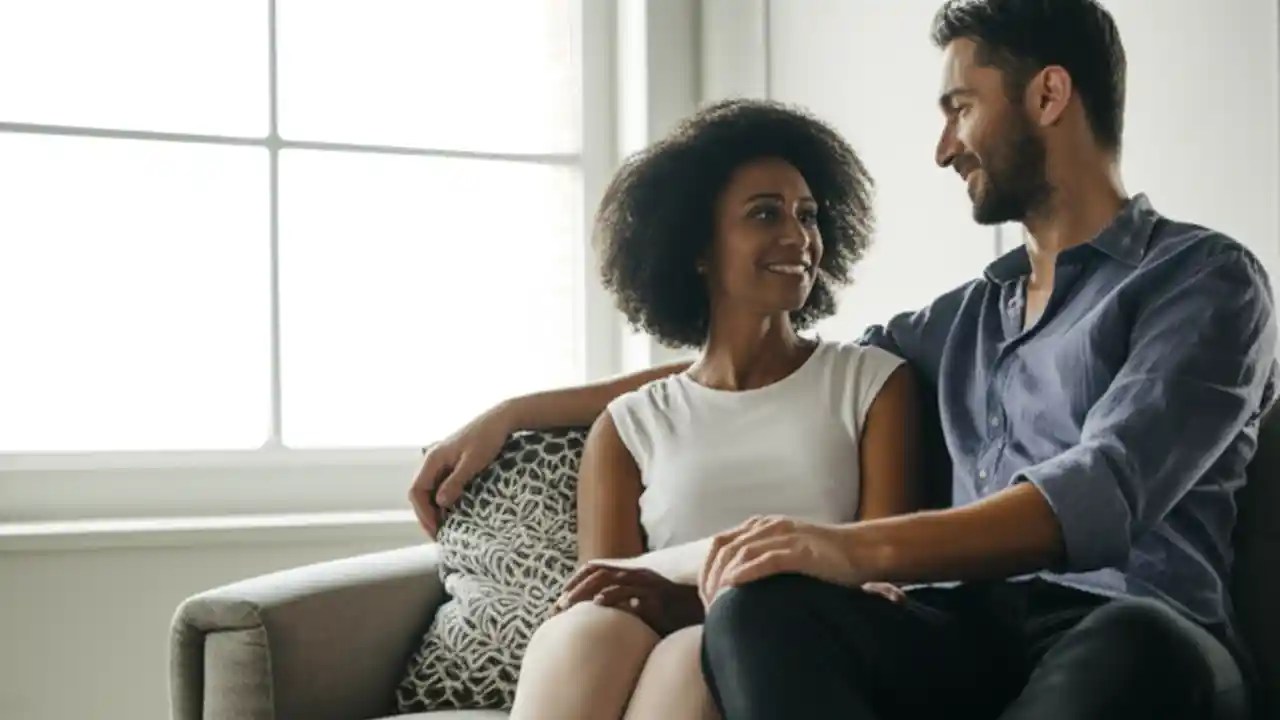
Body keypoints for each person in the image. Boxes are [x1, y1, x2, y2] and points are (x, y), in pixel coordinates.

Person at [413, 1, 1277, 717]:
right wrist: (517, 412)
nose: (945, 147)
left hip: (1139, 632)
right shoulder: (966, 317)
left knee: (1136, 642)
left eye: (959, 107)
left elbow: (1104, 491)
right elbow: (765, 365)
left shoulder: (1205, 281)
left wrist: (851, 549)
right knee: (760, 611)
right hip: (970, 634)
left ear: (1049, 94)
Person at [508, 99, 920, 720]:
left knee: (691, 655)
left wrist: (705, 607)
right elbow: (605, 590)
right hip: (648, 635)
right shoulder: (626, 425)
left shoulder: (871, 383)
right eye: (764, 214)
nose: (798, 237)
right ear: (697, 247)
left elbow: (885, 579)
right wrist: (509, 413)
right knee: (589, 629)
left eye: (807, 216)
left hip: (785, 643)